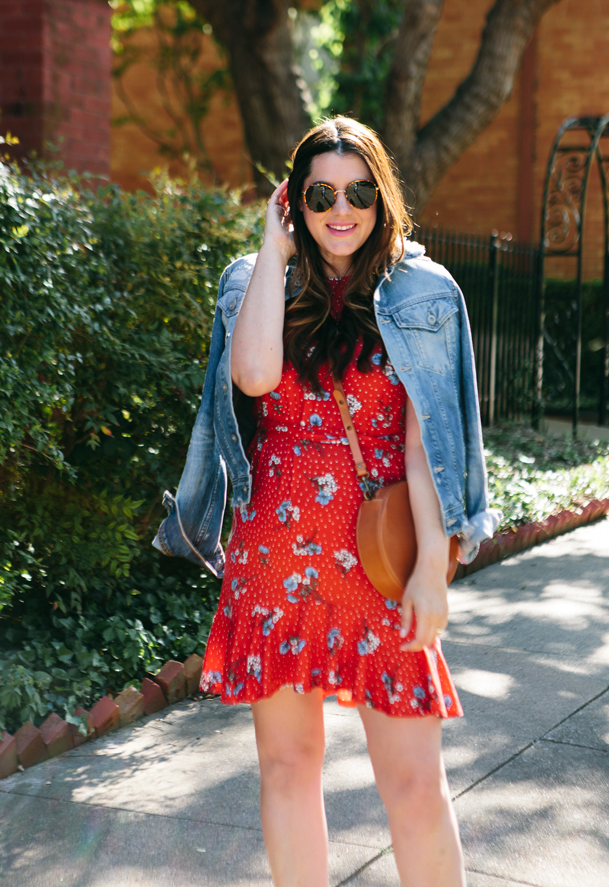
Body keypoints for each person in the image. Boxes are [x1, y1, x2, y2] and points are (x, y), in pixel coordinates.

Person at [153, 117, 499, 887]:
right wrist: (274, 255)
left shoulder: (424, 291)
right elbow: (252, 379)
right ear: (292, 201)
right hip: (276, 555)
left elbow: (425, 443)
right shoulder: (253, 280)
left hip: (381, 562)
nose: (339, 209)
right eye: (318, 194)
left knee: (412, 782)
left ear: (382, 197)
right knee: (286, 767)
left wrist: (433, 574)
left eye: (357, 192)